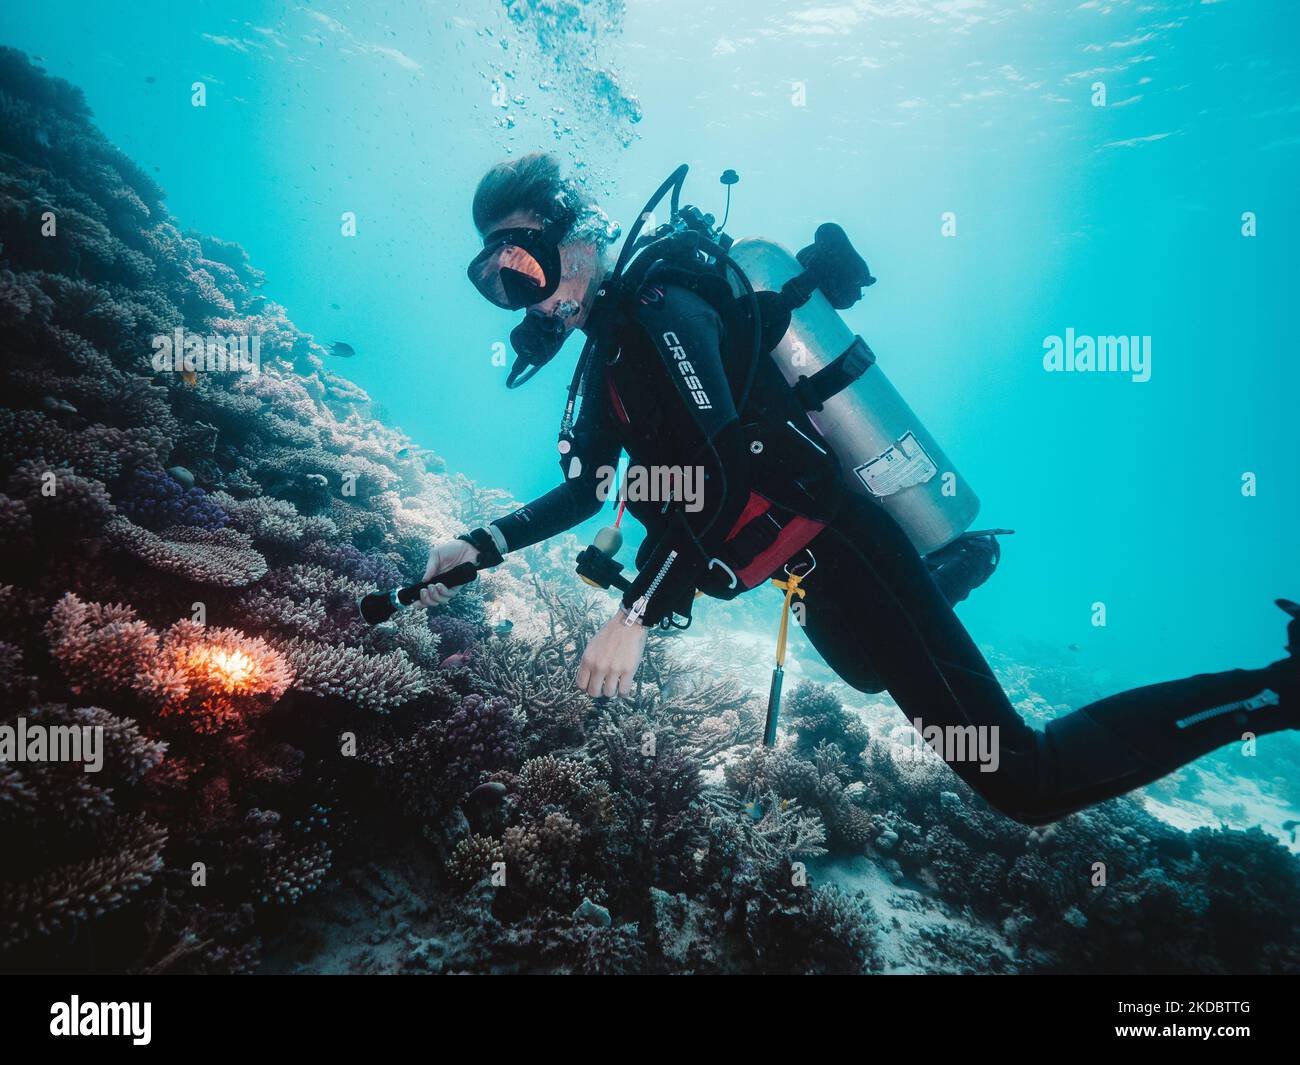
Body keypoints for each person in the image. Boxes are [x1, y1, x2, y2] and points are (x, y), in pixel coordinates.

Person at [421, 152, 1298, 825]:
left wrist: (636, 612)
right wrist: (478, 544)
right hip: (802, 568)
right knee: (864, 670)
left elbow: (726, 472)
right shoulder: (610, 350)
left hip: (844, 543)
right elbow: (586, 491)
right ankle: (950, 569)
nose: (520, 297)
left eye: (523, 263)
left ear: (575, 235)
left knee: (1026, 781)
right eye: (497, 281)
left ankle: (1279, 688)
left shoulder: (660, 309)